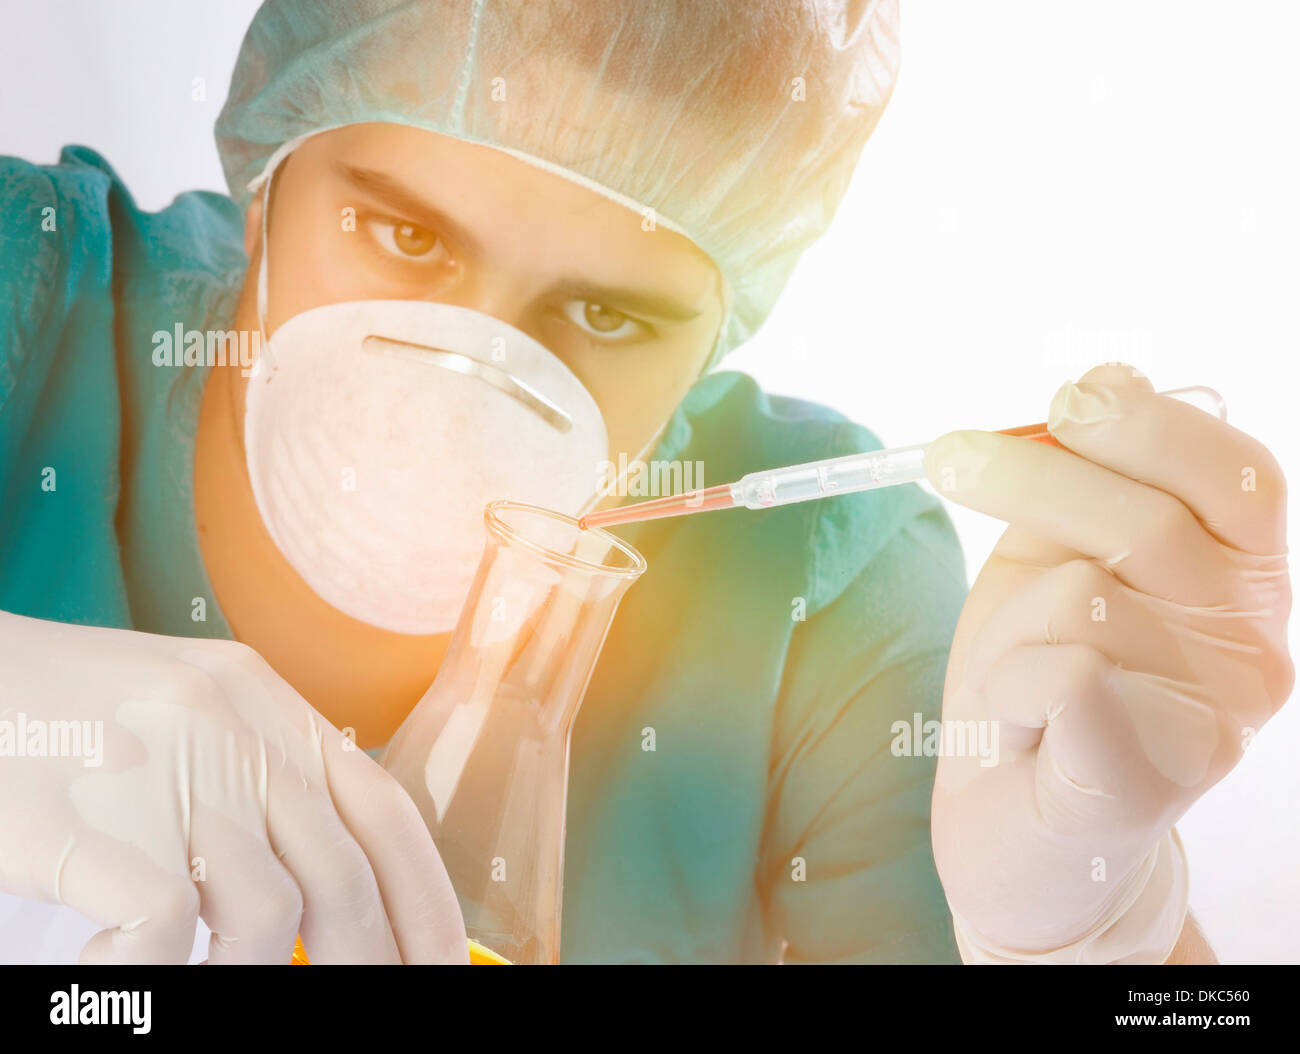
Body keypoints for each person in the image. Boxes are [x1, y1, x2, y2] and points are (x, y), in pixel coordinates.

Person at [0, 0, 1289, 965]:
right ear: (274, 175)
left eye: (608, 315)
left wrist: (1104, 942)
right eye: (406, 234)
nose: (478, 378)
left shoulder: (829, 589)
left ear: (720, 321)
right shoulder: (32, 293)